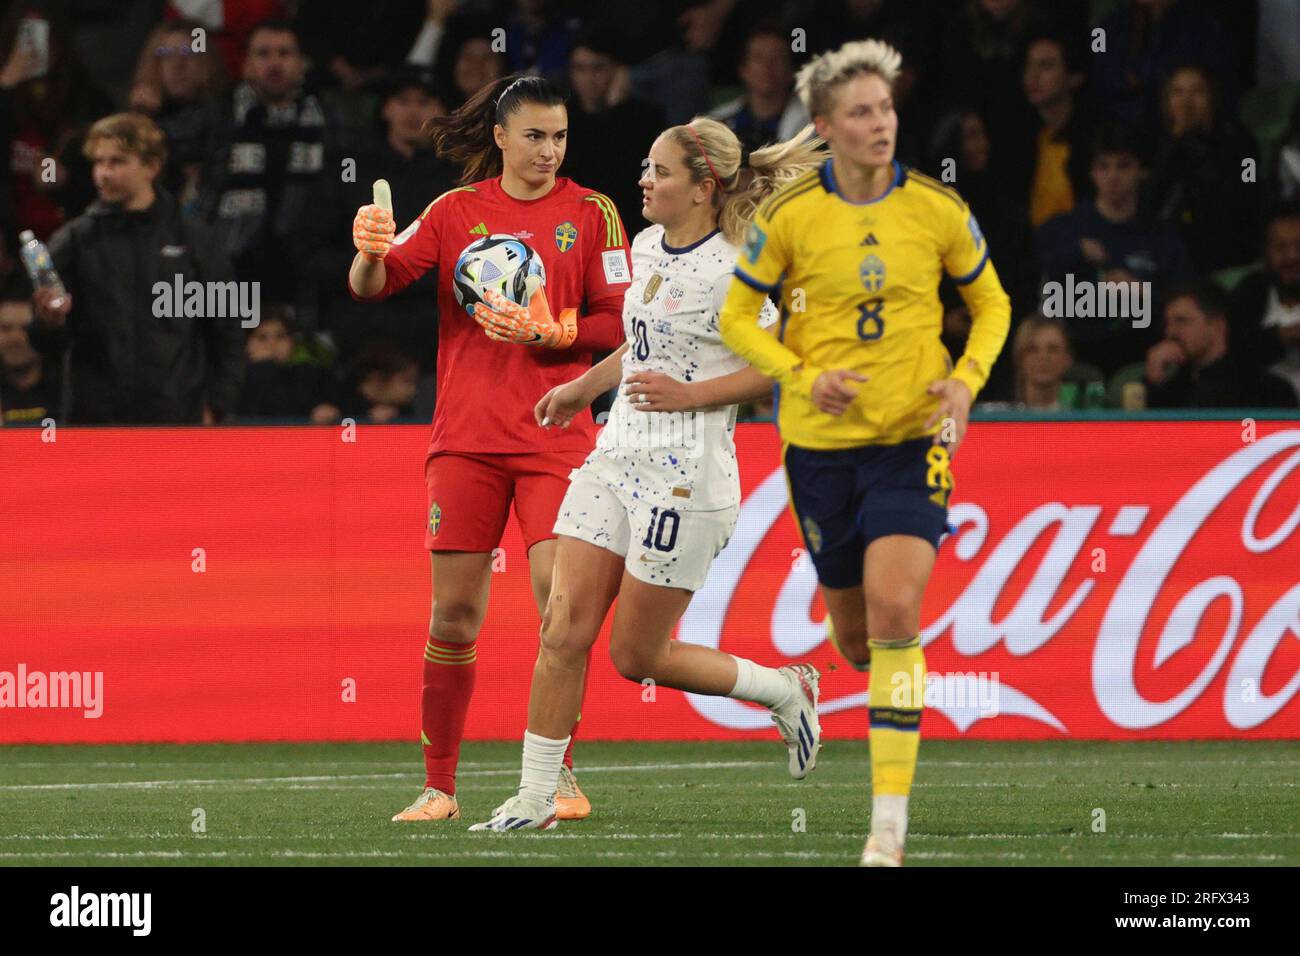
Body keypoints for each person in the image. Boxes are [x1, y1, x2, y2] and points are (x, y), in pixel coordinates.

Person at [468, 117, 828, 832]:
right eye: (645, 166)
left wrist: (691, 395)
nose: (644, 180)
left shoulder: (741, 264)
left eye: (659, 172)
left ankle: (785, 689)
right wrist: (579, 388)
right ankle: (534, 799)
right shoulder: (647, 243)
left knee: (637, 656)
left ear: (704, 187)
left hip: (687, 474)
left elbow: (786, 364)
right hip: (614, 456)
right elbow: (641, 348)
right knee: (563, 626)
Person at [717, 40, 1011, 866]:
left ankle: (888, 825)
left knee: (894, 613)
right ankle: (842, 706)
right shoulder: (790, 216)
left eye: (884, 109)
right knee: (854, 642)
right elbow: (739, 321)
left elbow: (990, 303)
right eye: (860, 113)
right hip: (818, 453)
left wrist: (964, 381)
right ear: (825, 127)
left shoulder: (937, 209)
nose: (879, 124)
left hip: (912, 443)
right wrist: (800, 375)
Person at [348, 74, 631, 824]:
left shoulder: (593, 213)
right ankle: (439, 787)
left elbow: (624, 323)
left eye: (560, 136)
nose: (548, 150)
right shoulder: (454, 211)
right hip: (466, 445)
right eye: (534, 136)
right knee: (454, 621)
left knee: (559, 608)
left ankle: (558, 779)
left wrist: (558, 332)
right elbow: (375, 283)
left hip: (556, 441)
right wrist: (368, 252)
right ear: (501, 138)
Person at [30, 112, 244, 425]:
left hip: (178, 418)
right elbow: (43, 342)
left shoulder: (194, 239)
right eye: (98, 162)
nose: (103, 174)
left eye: (117, 162)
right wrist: (48, 323)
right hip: (95, 422)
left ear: (152, 167)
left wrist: (220, 405)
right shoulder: (73, 240)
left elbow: (228, 328)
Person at [1147, 280, 1298, 409]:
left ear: (1217, 326)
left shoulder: (1266, 390)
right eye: (1167, 324)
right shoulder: (1171, 387)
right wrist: (1155, 382)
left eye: (1181, 321)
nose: (1170, 332)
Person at [1228, 202, 1300, 399]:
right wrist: (1286, 335)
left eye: (1299, 246)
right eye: (1281, 247)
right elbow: (1234, 350)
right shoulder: (1251, 291)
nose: (1292, 256)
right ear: (1266, 251)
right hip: (1262, 414)